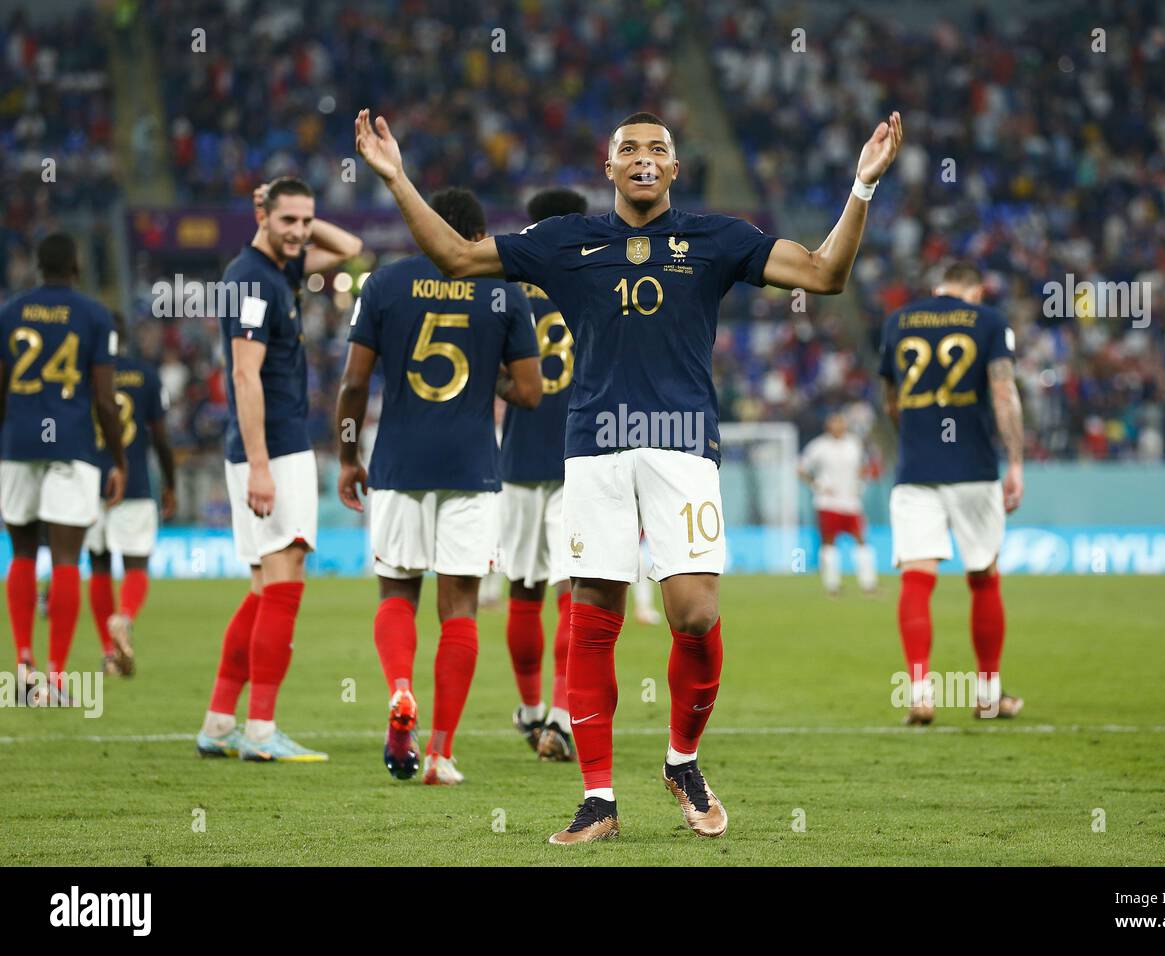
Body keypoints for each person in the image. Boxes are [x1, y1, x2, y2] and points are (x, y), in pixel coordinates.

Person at [355, 104, 902, 842]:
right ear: (608, 168)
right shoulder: (565, 242)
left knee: (696, 614)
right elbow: (457, 258)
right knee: (593, 620)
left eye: (658, 148)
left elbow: (825, 273)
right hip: (594, 450)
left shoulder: (716, 238)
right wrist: (395, 176)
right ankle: (598, 798)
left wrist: (862, 186)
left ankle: (682, 760)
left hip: (683, 450)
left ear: (675, 168)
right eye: (629, 148)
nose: (644, 156)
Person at [336, 187, 541, 784]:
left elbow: (352, 385)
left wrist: (348, 454)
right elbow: (529, 391)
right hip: (472, 466)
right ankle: (442, 754)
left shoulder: (383, 285)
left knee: (396, 591)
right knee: (460, 610)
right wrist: (487, 382)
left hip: (398, 462)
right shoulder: (503, 291)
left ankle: (401, 691)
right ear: (478, 239)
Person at [195, 177, 362, 761]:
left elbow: (348, 245)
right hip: (272, 449)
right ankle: (261, 732)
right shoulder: (250, 280)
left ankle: (219, 724)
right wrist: (261, 466)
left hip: (270, 446)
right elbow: (243, 375)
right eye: (286, 220)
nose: (298, 231)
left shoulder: (279, 269)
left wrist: (296, 224)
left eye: (304, 220)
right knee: (284, 582)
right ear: (259, 214)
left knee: (264, 587)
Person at [878, 262, 1025, 726]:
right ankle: (987, 695)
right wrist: (1016, 461)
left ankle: (920, 692)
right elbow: (1003, 393)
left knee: (917, 579)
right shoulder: (989, 322)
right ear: (975, 291)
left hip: (917, 469)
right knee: (983, 573)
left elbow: (891, 400)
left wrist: (917, 438)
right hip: (974, 468)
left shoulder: (898, 321)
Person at [0, 233, 125, 703]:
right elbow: (105, 400)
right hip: (72, 443)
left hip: (17, 442)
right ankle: (55, 678)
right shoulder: (94, 314)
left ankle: (23, 663)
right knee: (68, 559)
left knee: (24, 553)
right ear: (76, 265)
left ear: (36, 265)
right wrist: (118, 459)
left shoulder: (9, 312)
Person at [498, 187, 587, 762]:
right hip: (583, 454)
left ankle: (531, 711)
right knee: (574, 592)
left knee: (523, 591)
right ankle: (560, 715)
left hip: (520, 458)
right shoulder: (593, 280)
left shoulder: (505, 291)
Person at [85, 312, 177, 676]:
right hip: (135, 479)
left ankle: (109, 654)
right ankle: (124, 617)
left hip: (89, 480)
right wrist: (170, 482)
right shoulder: (146, 376)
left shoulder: (83, 378)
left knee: (98, 564)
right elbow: (161, 437)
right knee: (136, 564)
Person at [798, 411, 878, 595]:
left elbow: (864, 467)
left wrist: (861, 483)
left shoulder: (854, 444)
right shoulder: (819, 446)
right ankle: (832, 585)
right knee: (829, 542)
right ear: (828, 426)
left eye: (840, 422)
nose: (837, 426)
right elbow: (801, 468)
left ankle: (868, 584)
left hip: (851, 501)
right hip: (828, 502)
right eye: (834, 423)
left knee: (861, 540)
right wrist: (816, 485)